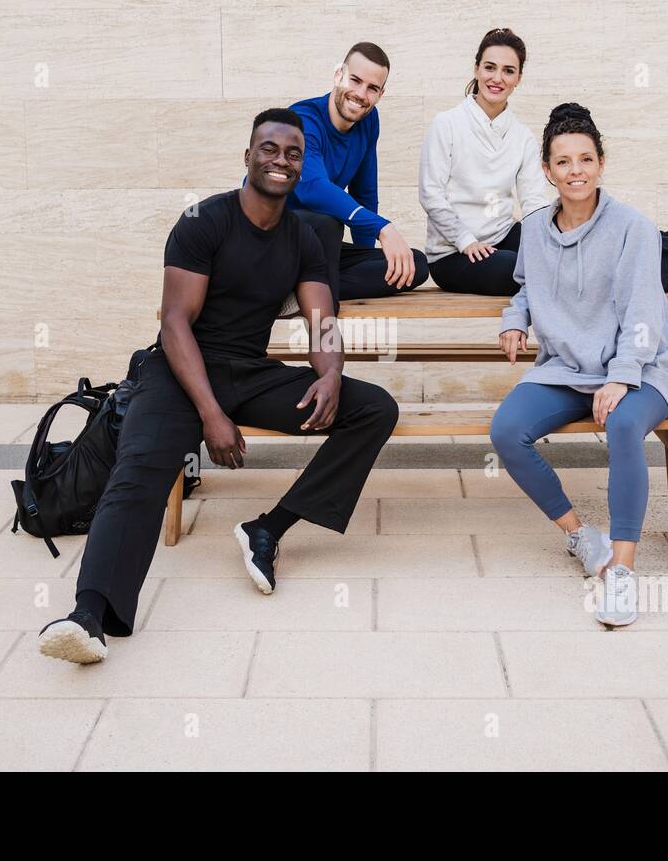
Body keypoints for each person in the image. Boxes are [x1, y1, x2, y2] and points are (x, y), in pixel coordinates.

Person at [38, 108, 399, 664]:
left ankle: (268, 528)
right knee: (140, 472)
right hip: (179, 373)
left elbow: (321, 320)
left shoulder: (303, 236)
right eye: (269, 149)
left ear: (303, 166)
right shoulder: (204, 220)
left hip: (248, 372)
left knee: (372, 408)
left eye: (293, 153)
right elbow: (175, 323)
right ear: (248, 156)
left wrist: (330, 373)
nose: (281, 160)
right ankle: (88, 615)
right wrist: (209, 416)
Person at [488, 103, 668, 628]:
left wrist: (622, 376)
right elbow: (527, 287)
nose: (576, 170)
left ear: (601, 163)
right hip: (568, 367)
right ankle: (581, 536)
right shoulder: (532, 228)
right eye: (564, 161)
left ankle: (622, 570)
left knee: (622, 424)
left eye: (586, 159)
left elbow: (644, 314)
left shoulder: (633, 228)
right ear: (547, 171)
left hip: (644, 366)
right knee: (507, 430)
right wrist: (515, 319)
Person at [284, 41, 429, 308]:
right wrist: (381, 227)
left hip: (320, 249)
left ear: (380, 94)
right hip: (280, 241)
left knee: (412, 263)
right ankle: (310, 289)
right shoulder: (303, 120)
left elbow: (364, 193)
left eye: (372, 88)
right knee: (326, 223)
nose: (361, 94)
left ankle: (303, 287)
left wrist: (367, 252)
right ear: (338, 75)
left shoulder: (369, 121)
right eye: (355, 80)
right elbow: (312, 188)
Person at [420, 28, 550, 296]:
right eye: (490, 67)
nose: (497, 78)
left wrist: (551, 244)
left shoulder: (522, 136)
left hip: (503, 236)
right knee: (519, 269)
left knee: (557, 257)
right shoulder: (446, 124)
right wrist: (466, 240)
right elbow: (431, 195)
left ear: (519, 78)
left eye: (508, 71)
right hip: (453, 253)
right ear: (476, 69)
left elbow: (535, 202)